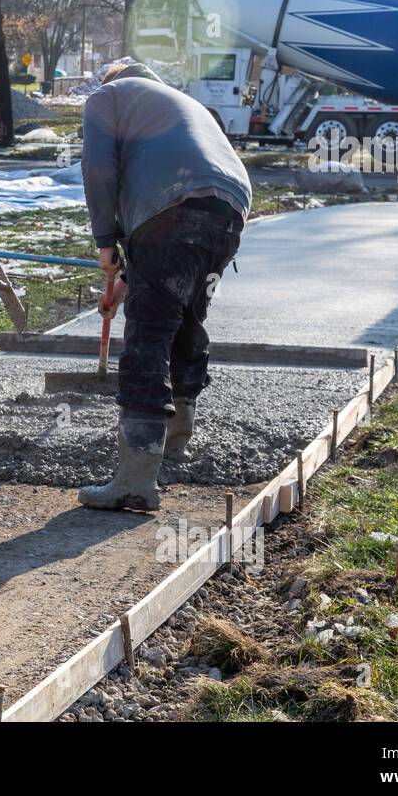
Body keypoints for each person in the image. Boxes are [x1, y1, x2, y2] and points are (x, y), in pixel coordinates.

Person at [78, 62, 252, 510]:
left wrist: (104, 242)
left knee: (147, 336)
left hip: (171, 207)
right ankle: (176, 445)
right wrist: (132, 278)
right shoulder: (183, 105)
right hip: (229, 209)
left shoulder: (110, 96)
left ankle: (136, 479)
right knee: (185, 317)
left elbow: (98, 167)